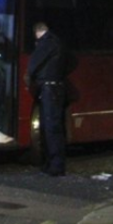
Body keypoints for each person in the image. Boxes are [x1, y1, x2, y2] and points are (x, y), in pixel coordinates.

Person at [28, 21, 74, 176]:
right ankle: (54, 164)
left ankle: (54, 166)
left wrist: (32, 77)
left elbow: (33, 64)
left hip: (49, 89)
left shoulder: (46, 43)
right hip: (58, 87)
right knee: (54, 126)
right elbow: (73, 62)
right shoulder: (59, 43)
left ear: (37, 32)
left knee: (50, 128)